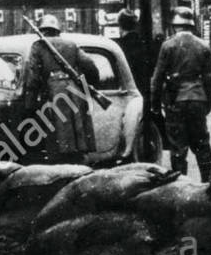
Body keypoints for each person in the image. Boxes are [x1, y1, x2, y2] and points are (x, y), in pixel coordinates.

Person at [21, 14, 100, 165]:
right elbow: (91, 67)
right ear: (57, 30)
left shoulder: (38, 46)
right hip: (75, 95)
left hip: (54, 96)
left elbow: (33, 79)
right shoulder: (71, 45)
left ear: (42, 30)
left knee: (56, 145)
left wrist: (29, 106)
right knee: (77, 144)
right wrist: (86, 87)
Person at [150, 8, 211, 181]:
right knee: (202, 143)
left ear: (174, 26)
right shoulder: (203, 46)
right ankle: (207, 183)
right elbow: (210, 80)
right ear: (191, 25)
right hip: (197, 98)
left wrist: (155, 105)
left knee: (178, 147)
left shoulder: (168, 46)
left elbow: (157, 79)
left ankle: (181, 183)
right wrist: (207, 103)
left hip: (175, 100)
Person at [114, 9, 152, 97]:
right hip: (143, 89)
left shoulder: (120, 46)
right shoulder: (143, 43)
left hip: (128, 91)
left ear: (120, 26)